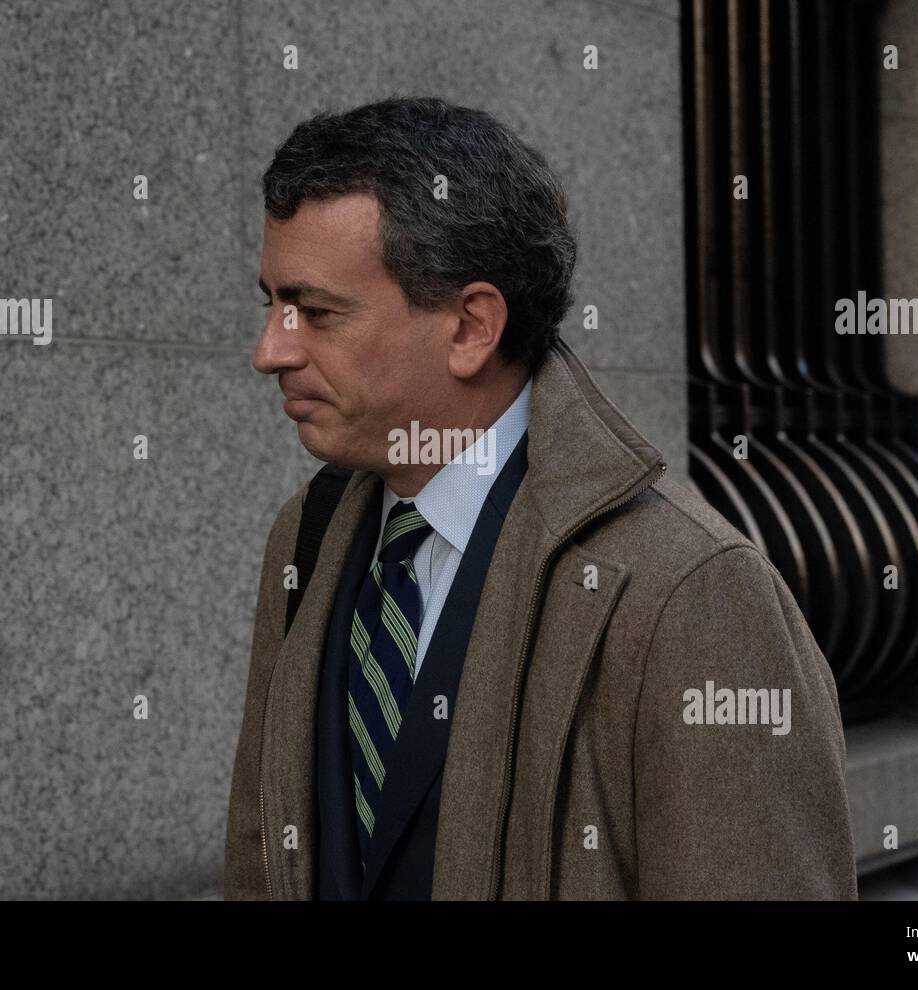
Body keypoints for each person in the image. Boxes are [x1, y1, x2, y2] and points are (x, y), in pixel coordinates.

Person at [224, 96, 856, 900]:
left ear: (470, 327)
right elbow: (261, 856)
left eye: (315, 313)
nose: (270, 350)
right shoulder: (306, 537)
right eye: (272, 306)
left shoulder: (690, 590)